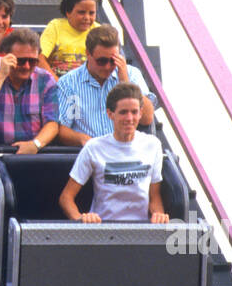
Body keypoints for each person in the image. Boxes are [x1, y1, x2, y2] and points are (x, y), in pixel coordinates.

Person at [58, 83, 168, 224]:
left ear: (140, 113)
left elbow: (155, 197)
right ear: (110, 114)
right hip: (103, 230)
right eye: (123, 112)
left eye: (134, 112)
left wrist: (159, 215)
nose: (129, 118)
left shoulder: (153, 145)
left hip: (141, 230)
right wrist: (81, 220)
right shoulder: (93, 147)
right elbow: (66, 198)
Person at [57, 25, 155, 146]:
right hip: (88, 153)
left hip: (125, 151)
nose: (107, 67)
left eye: (113, 61)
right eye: (101, 61)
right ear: (88, 54)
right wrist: (84, 140)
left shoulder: (131, 74)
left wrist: (125, 82)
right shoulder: (68, 83)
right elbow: (63, 129)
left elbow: (147, 119)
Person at [0, 29, 59, 154]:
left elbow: (52, 123)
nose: (26, 66)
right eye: (20, 61)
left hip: (36, 152)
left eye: (32, 61)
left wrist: (35, 144)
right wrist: (1, 76)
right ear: (6, 57)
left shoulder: (46, 80)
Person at [39, 0, 100, 77]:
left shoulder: (98, 31)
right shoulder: (55, 27)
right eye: (81, 12)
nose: (87, 17)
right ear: (68, 12)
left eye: (91, 13)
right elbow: (40, 58)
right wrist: (57, 84)